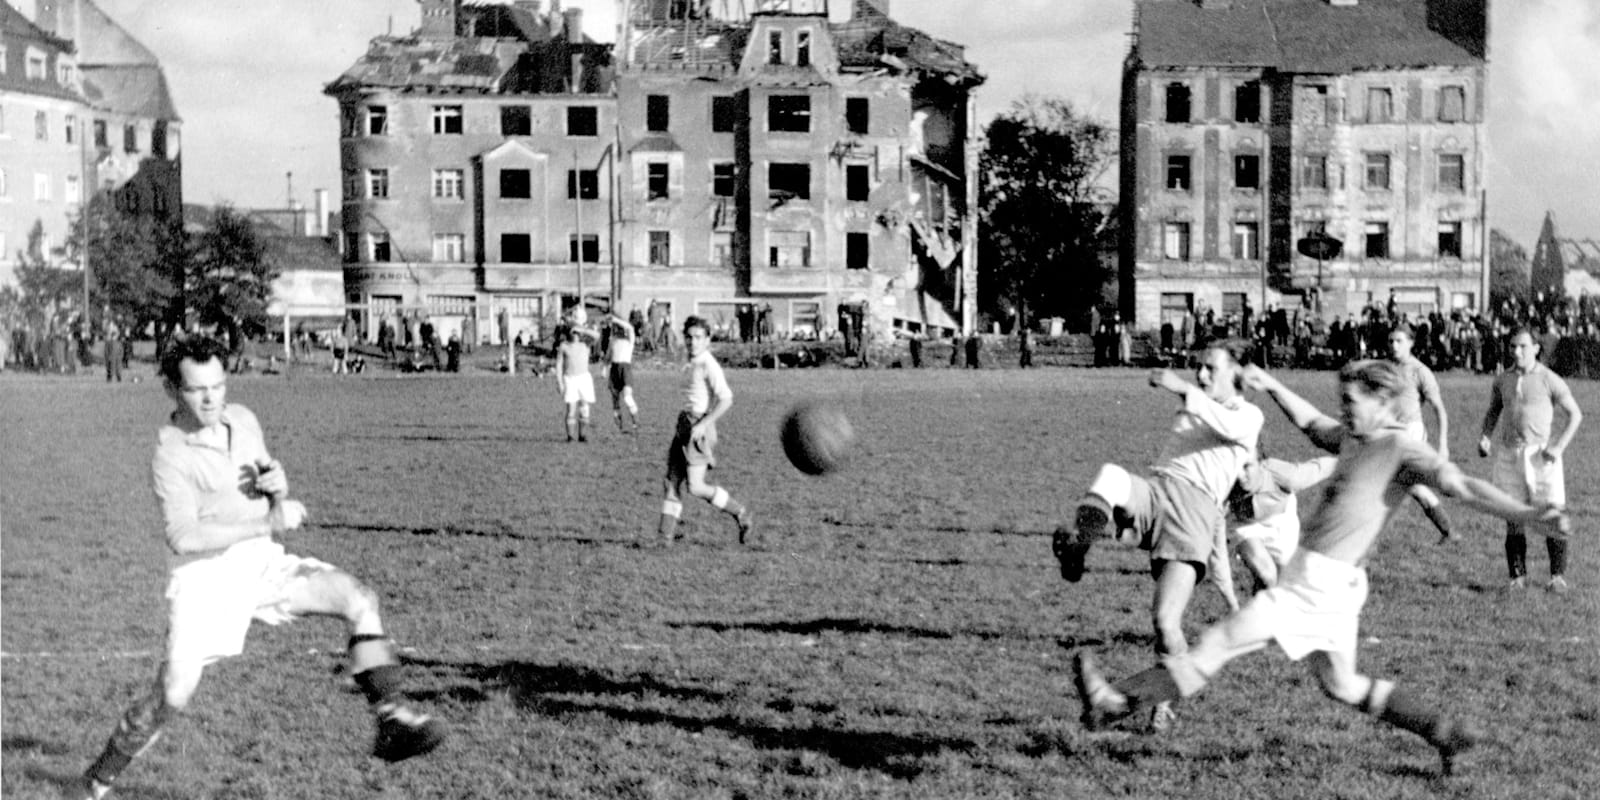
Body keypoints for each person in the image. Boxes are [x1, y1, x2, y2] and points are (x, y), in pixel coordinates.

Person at [1073, 360, 1565, 777]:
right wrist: (1273, 385)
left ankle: (1114, 702)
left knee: (1218, 643)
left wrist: (1524, 514)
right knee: (1343, 685)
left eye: (1353, 400)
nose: (1345, 407)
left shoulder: (1402, 449)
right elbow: (1311, 422)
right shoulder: (1355, 437)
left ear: (1386, 403)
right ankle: (1443, 731)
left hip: (1317, 584)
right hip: (1333, 584)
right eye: (1343, 398)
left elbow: (1462, 485)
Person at [71, 337, 444, 800]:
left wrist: (277, 487)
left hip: (261, 561)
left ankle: (391, 719)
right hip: (204, 577)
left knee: (359, 600)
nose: (211, 398)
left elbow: (270, 489)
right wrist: (269, 519)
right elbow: (183, 537)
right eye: (196, 390)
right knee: (171, 696)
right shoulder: (171, 453)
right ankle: (94, 781)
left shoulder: (243, 419)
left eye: (218, 385)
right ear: (171, 389)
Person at [1053, 338, 1263, 731]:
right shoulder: (1198, 405)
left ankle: (1161, 701)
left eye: (1210, 368)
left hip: (1193, 516)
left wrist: (1182, 387)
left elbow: (1229, 426)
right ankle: (1078, 547)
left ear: (1237, 375)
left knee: (1166, 622)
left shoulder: (1249, 415)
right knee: (1112, 475)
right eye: (1198, 367)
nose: (1200, 374)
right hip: (1159, 491)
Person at [1479, 327, 1583, 593]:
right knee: (1513, 516)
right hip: (1509, 454)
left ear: (1536, 348)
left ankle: (1557, 577)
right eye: (1513, 346)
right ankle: (1517, 577)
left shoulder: (1550, 379)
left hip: (1541, 456)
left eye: (1523, 346)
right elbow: (1493, 410)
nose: (1516, 352)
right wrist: (1485, 437)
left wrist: (1558, 447)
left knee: (1551, 514)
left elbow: (1575, 415)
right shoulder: (1503, 379)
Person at [658, 316, 754, 546]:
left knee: (696, 486)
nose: (693, 342)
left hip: (698, 426)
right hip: (684, 424)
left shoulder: (708, 364)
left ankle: (740, 513)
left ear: (707, 340)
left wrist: (703, 425)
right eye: (689, 337)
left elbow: (726, 399)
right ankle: (664, 538)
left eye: (698, 337)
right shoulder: (689, 360)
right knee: (671, 481)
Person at [1225, 453, 1337, 593]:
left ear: (1260, 463)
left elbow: (1320, 468)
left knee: (1284, 583)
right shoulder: (1225, 479)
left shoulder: (1287, 477)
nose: (1241, 476)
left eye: (1247, 466)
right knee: (1267, 575)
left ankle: (1259, 608)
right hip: (1244, 526)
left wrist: (1350, 458)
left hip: (1281, 522)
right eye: (1236, 468)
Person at [1386, 326, 1455, 540]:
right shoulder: (1387, 369)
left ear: (1411, 343)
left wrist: (1443, 444)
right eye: (1391, 341)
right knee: (1411, 485)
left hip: (1411, 432)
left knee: (1390, 481)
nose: (1394, 345)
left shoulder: (1420, 371)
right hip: (1389, 432)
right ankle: (1448, 530)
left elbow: (1440, 410)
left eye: (1399, 341)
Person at [555, 312, 597, 443]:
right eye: (572, 331)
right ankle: (570, 436)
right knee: (571, 409)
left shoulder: (586, 344)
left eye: (576, 332)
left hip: (584, 378)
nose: (575, 334)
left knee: (584, 407)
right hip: (570, 379)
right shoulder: (564, 346)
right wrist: (560, 382)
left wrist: (581, 328)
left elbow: (597, 336)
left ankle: (582, 435)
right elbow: (559, 365)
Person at [604, 312, 640, 433]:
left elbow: (630, 328)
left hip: (625, 369)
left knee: (627, 397)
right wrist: (604, 367)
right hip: (614, 369)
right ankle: (619, 427)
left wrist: (616, 320)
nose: (618, 329)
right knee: (615, 400)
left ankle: (635, 423)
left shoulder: (630, 339)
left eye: (619, 327)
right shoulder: (613, 340)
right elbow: (608, 355)